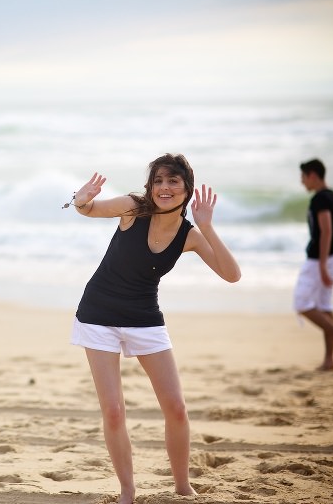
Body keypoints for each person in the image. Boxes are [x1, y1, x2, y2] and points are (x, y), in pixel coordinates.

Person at [65, 154, 240, 504]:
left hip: (145, 317)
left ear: (187, 189)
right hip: (99, 313)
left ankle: (182, 484)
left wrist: (207, 226)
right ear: (150, 186)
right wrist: (81, 198)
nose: (165, 187)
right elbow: (89, 209)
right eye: (159, 180)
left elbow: (231, 274)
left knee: (176, 407)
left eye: (174, 181)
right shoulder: (133, 208)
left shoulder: (189, 234)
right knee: (113, 410)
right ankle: (128, 491)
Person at [294, 158, 333, 371]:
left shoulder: (320, 199)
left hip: (320, 257)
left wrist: (323, 264)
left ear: (313, 175)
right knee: (325, 305)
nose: (302, 183)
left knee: (302, 303)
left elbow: (327, 230)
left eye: (303, 177)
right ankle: (329, 360)